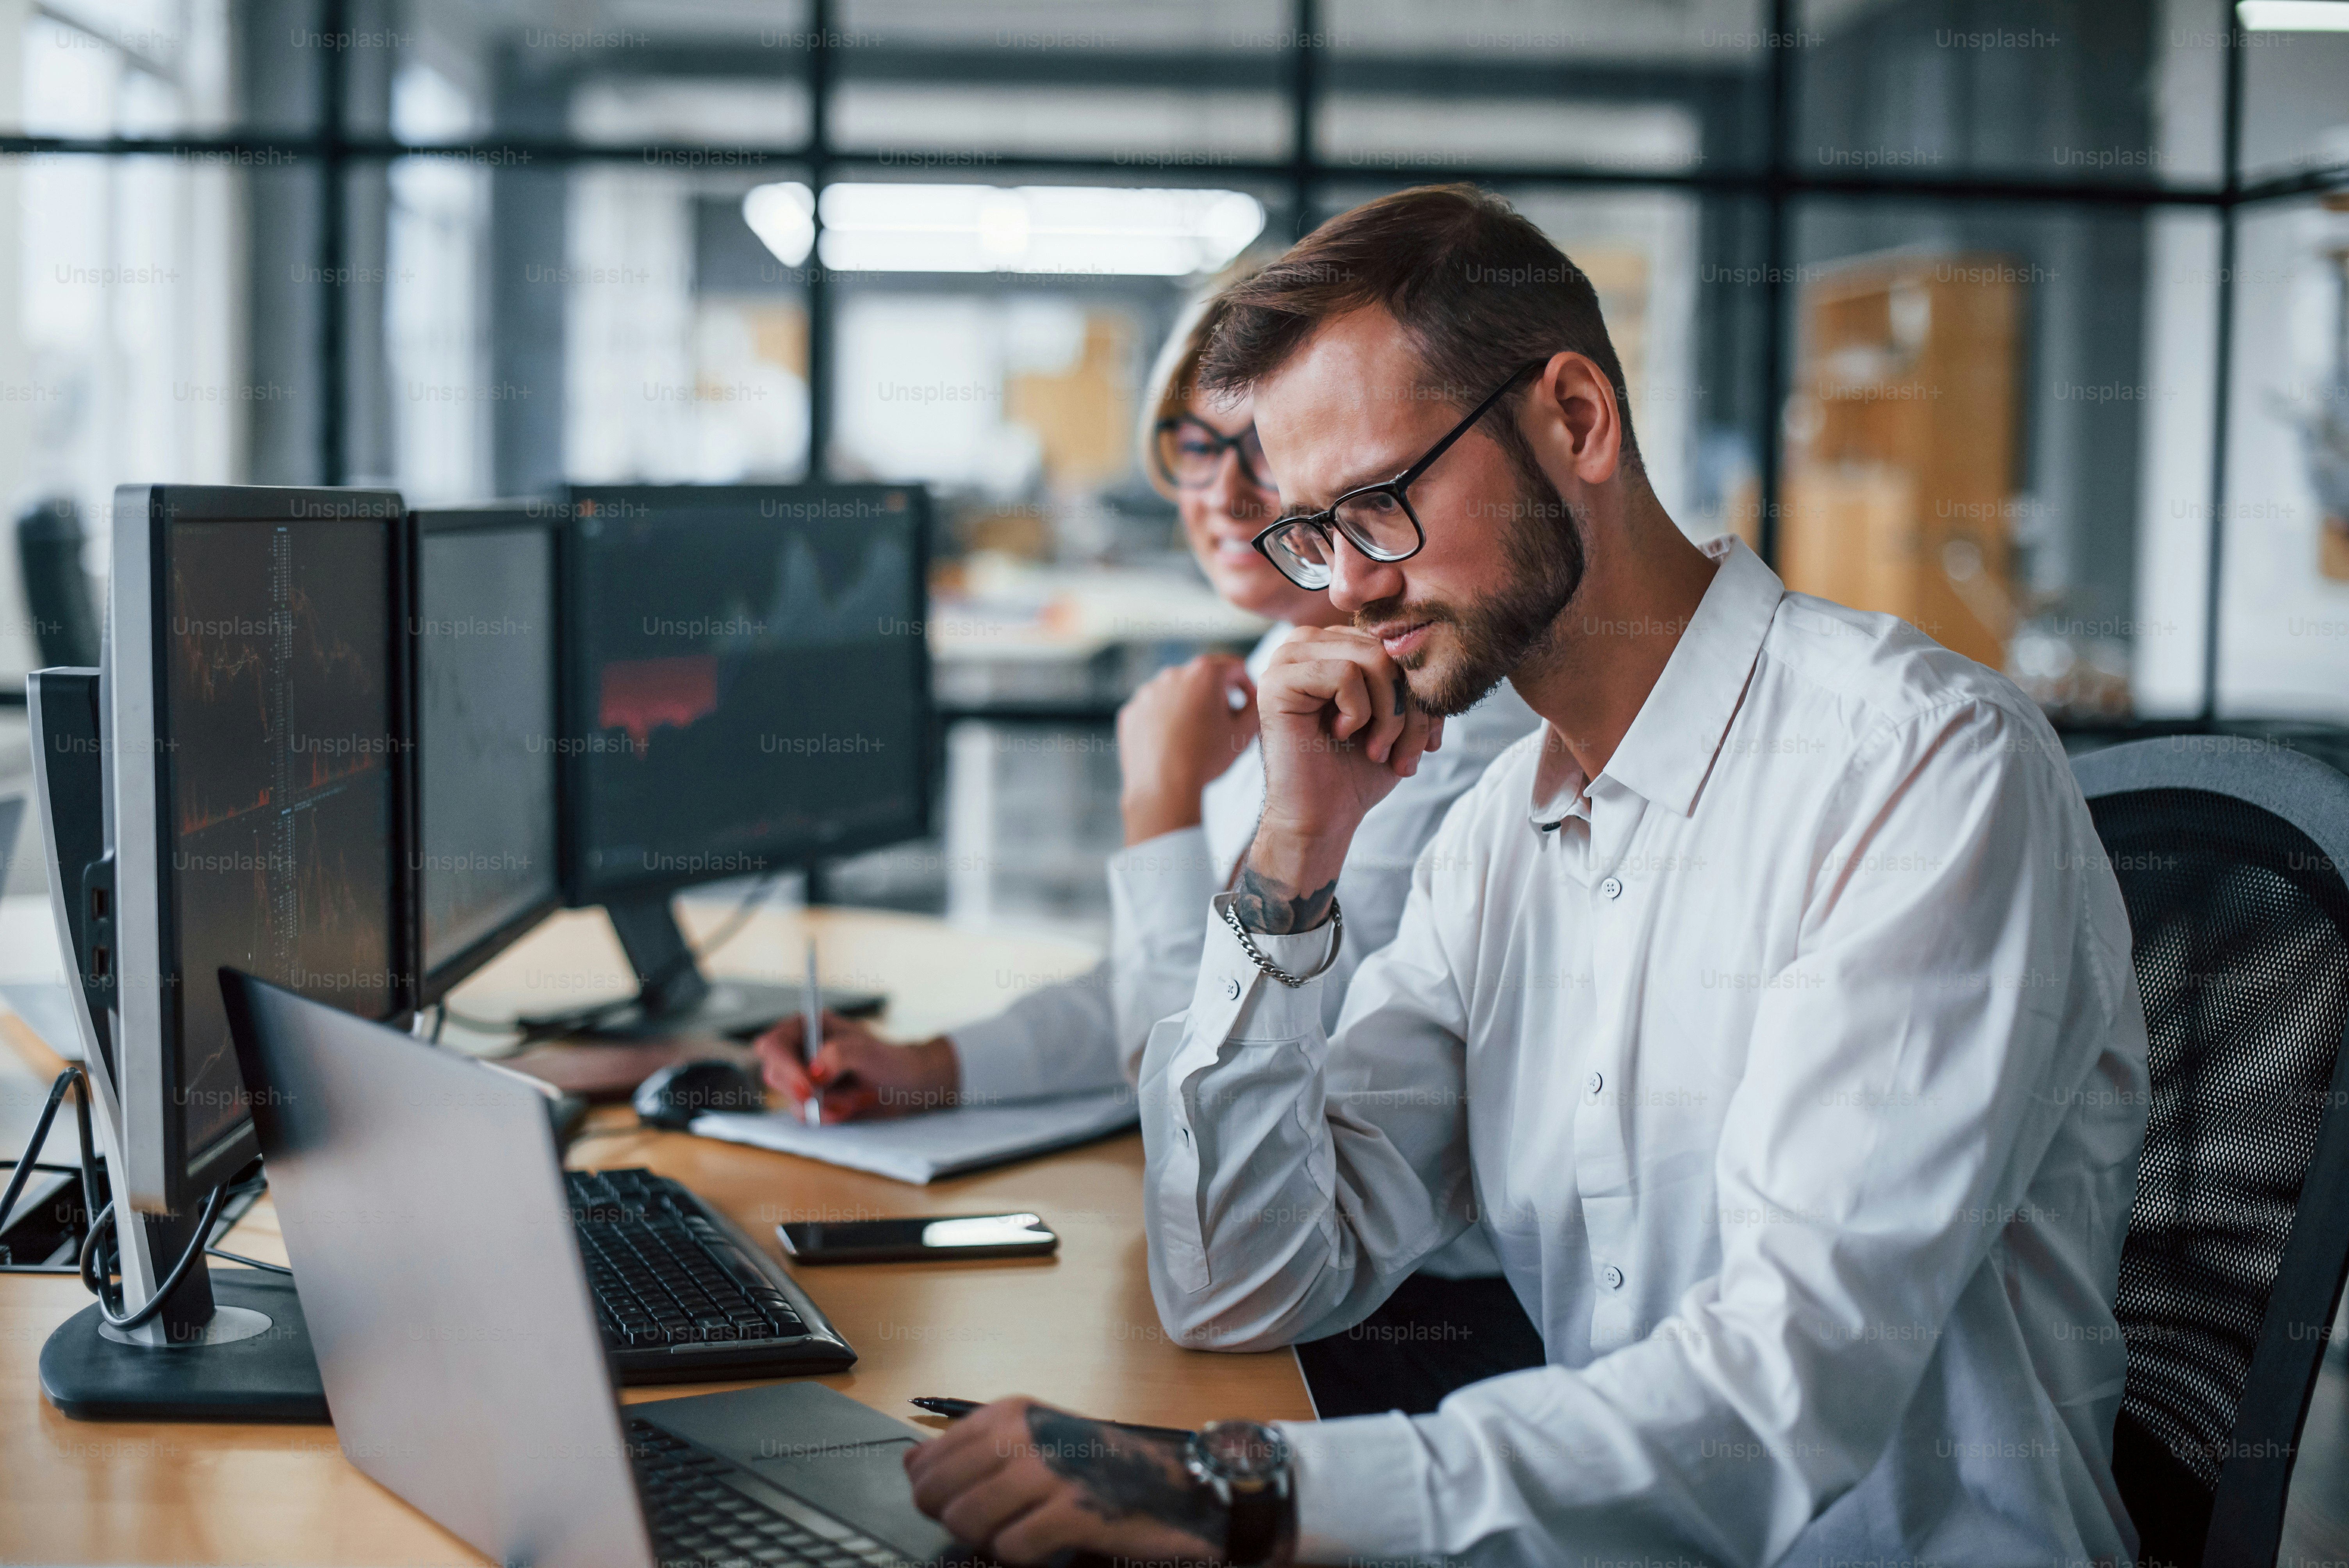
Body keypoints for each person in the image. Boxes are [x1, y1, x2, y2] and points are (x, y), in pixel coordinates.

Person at [899, 184, 2152, 1568]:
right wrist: (1291, 859)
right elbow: (1241, 1280)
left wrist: (1246, 1486)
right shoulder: (1500, 833)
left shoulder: (1916, 767)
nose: (1343, 594)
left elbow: (1781, 1391)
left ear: (1574, 420)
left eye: (1376, 503)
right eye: (1307, 535)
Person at [751, 295, 1537, 1142]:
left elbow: (1218, 1069)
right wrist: (927, 1069)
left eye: (1263, 451)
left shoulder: (1443, 702)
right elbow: (1157, 986)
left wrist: (1158, 807)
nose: (1225, 493)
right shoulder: (1281, 666)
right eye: (1196, 447)